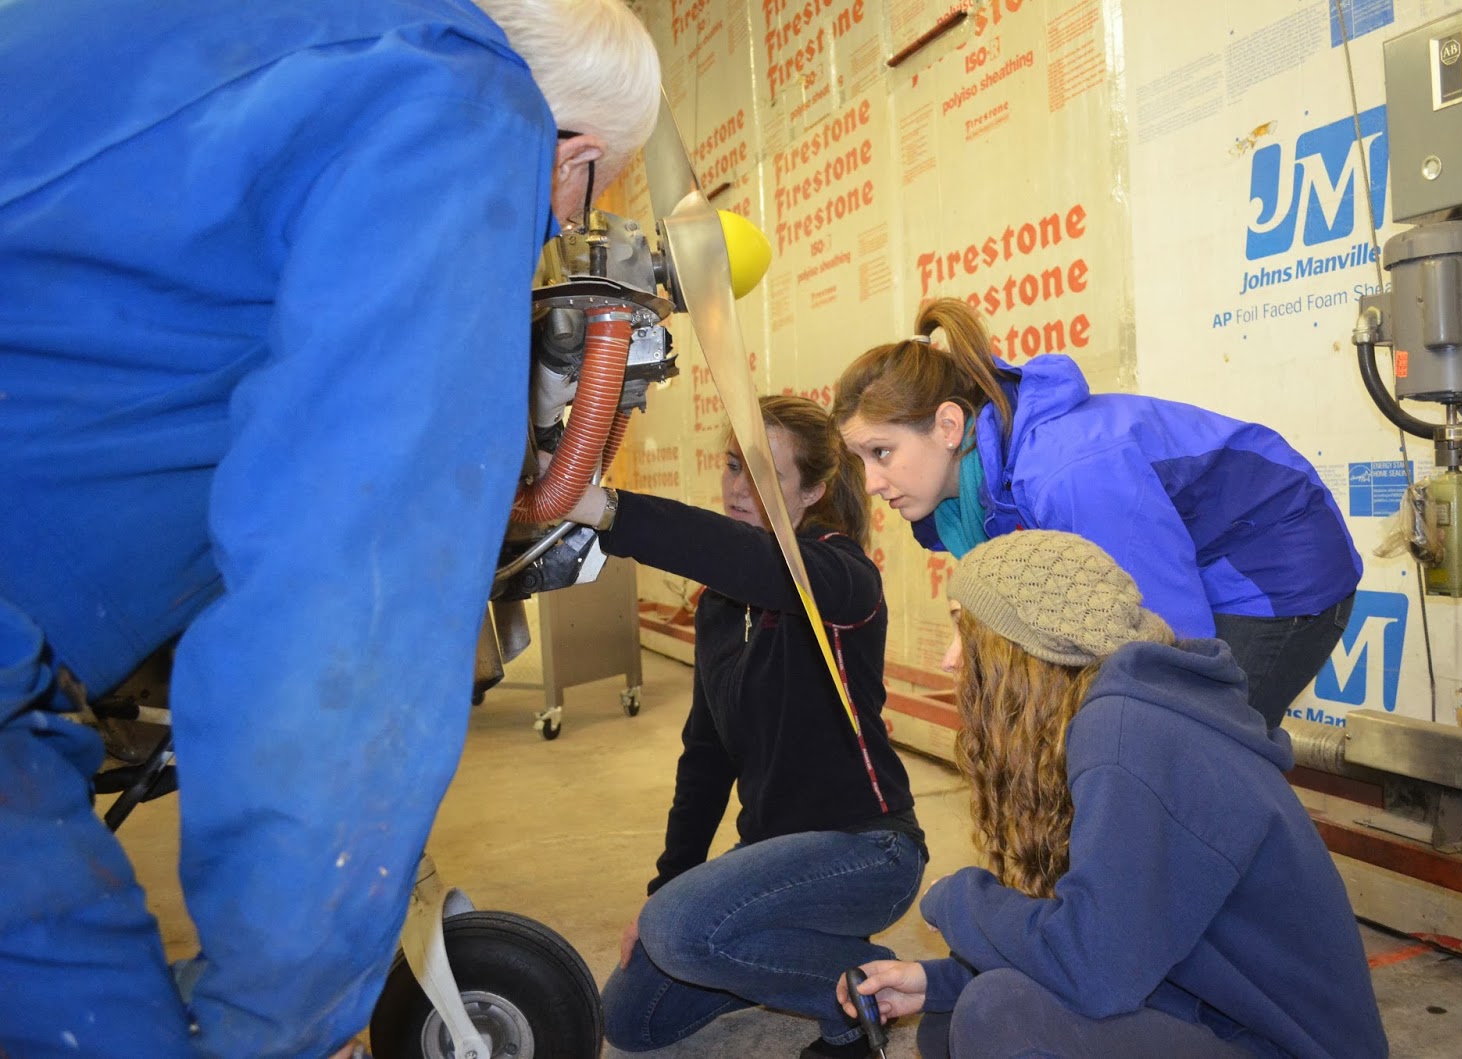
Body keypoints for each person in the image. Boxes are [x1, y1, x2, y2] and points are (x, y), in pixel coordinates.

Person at [0, 1, 659, 1055]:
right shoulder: (464, 97)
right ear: (571, 154)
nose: (547, 233)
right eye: (576, 206)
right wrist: (280, 1011)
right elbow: (352, 613)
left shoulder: (290, 41)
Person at [839, 530, 1388, 1059]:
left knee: (998, 1014)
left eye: (964, 628)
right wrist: (934, 983)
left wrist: (957, 899)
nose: (950, 657)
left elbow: (1094, 968)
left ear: (1024, 646)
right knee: (949, 1021)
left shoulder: (1126, 733)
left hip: (1281, 1045)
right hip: (1203, 1005)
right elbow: (1126, 940)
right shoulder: (1129, 712)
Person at [559, 396, 926, 1059]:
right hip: (771, 856)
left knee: (680, 931)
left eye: (761, 474)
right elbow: (704, 761)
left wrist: (606, 510)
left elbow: (750, 560)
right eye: (732, 465)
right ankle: (796, 955)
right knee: (633, 1018)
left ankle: (860, 995)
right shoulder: (720, 609)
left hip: (866, 851)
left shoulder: (841, 577)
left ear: (812, 492)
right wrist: (665, 888)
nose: (736, 487)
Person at [833, 298, 1362, 726]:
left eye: (882, 452)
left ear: (949, 426)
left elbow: (1169, 636)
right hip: (1199, 558)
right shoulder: (971, 500)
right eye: (860, 460)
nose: (872, 483)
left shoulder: (1067, 474)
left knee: (1195, 739)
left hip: (1274, 560)